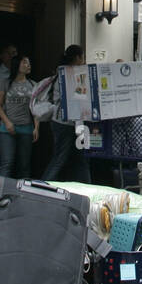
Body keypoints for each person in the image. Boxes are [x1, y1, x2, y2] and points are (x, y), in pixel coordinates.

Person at [43, 45, 91, 183]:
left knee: (68, 158)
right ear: (77, 58)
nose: (84, 60)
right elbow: (80, 98)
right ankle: (45, 184)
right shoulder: (76, 75)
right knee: (70, 158)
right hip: (71, 122)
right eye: (83, 57)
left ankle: (46, 184)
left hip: (60, 121)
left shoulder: (61, 73)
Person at [0, 54, 38, 179]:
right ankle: (0, 192)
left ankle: (23, 193)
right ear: (16, 65)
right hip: (6, 129)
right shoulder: (6, 83)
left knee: (24, 165)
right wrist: (7, 122)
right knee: (6, 162)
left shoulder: (33, 84)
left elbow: (36, 108)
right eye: (24, 62)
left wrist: (37, 127)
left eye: (28, 63)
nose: (28, 65)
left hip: (26, 127)